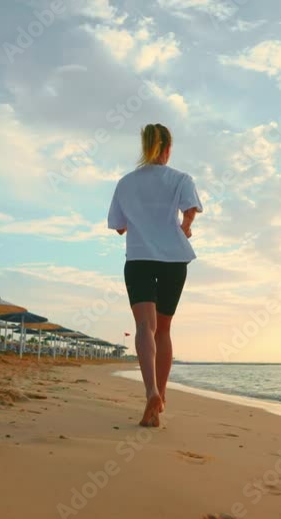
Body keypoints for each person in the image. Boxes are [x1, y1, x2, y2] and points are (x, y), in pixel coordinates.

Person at [107, 123, 202, 427]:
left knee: (144, 327)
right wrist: (185, 227)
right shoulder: (181, 179)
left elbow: (119, 226)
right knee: (164, 330)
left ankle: (150, 391)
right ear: (167, 148)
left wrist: (140, 218)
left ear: (145, 146)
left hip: (139, 259)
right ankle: (160, 397)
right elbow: (190, 211)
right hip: (174, 259)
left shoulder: (125, 183)